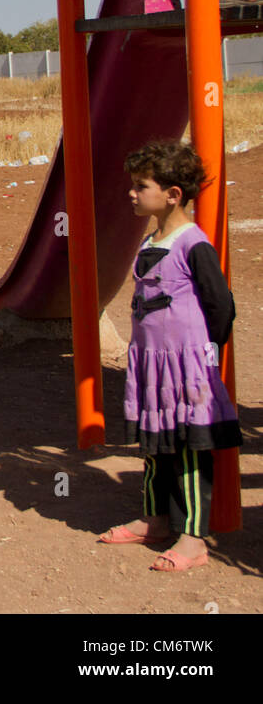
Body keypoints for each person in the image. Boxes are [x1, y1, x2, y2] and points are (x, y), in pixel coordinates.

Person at [99, 141, 241, 572]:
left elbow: (221, 306)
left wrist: (199, 356)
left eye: (141, 186)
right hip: (151, 366)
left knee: (189, 451)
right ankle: (154, 520)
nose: (132, 193)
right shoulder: (150, 239)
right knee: (155, 446)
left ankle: (194, 539)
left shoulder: (193, 244)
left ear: (173, 194)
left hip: (186, 369)